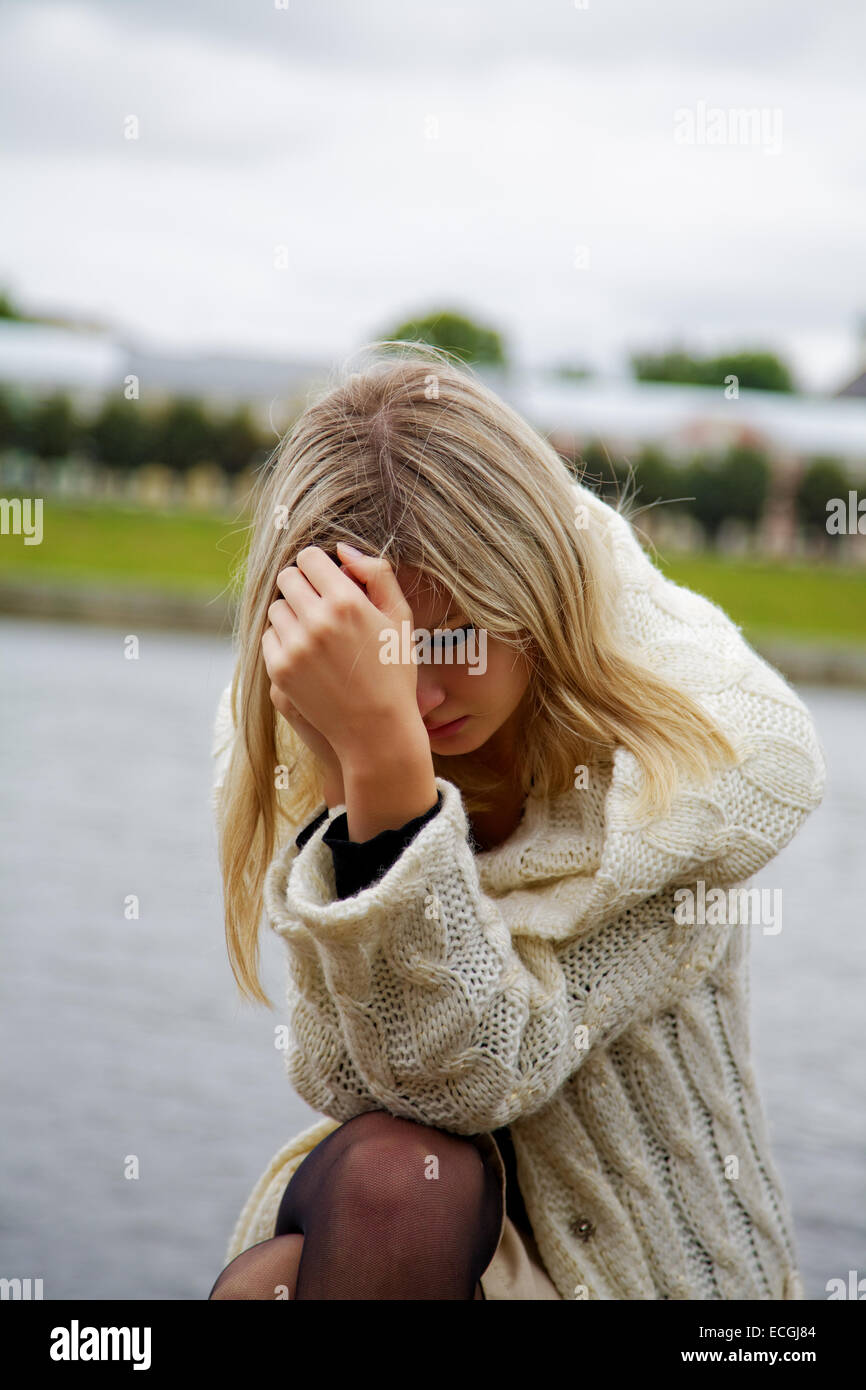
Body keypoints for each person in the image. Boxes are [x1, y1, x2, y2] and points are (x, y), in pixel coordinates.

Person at [207, 341, 825, 1300]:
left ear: (531, 584)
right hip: (445, 1241)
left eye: (459, 635)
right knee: (366, 1208)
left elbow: (477, 1072)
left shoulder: (689, 753)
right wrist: (354, 769)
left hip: (658, 1281)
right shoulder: (313, 711)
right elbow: (350, 1079)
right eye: (389, 653)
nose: (422, 691)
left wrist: (386, 769)